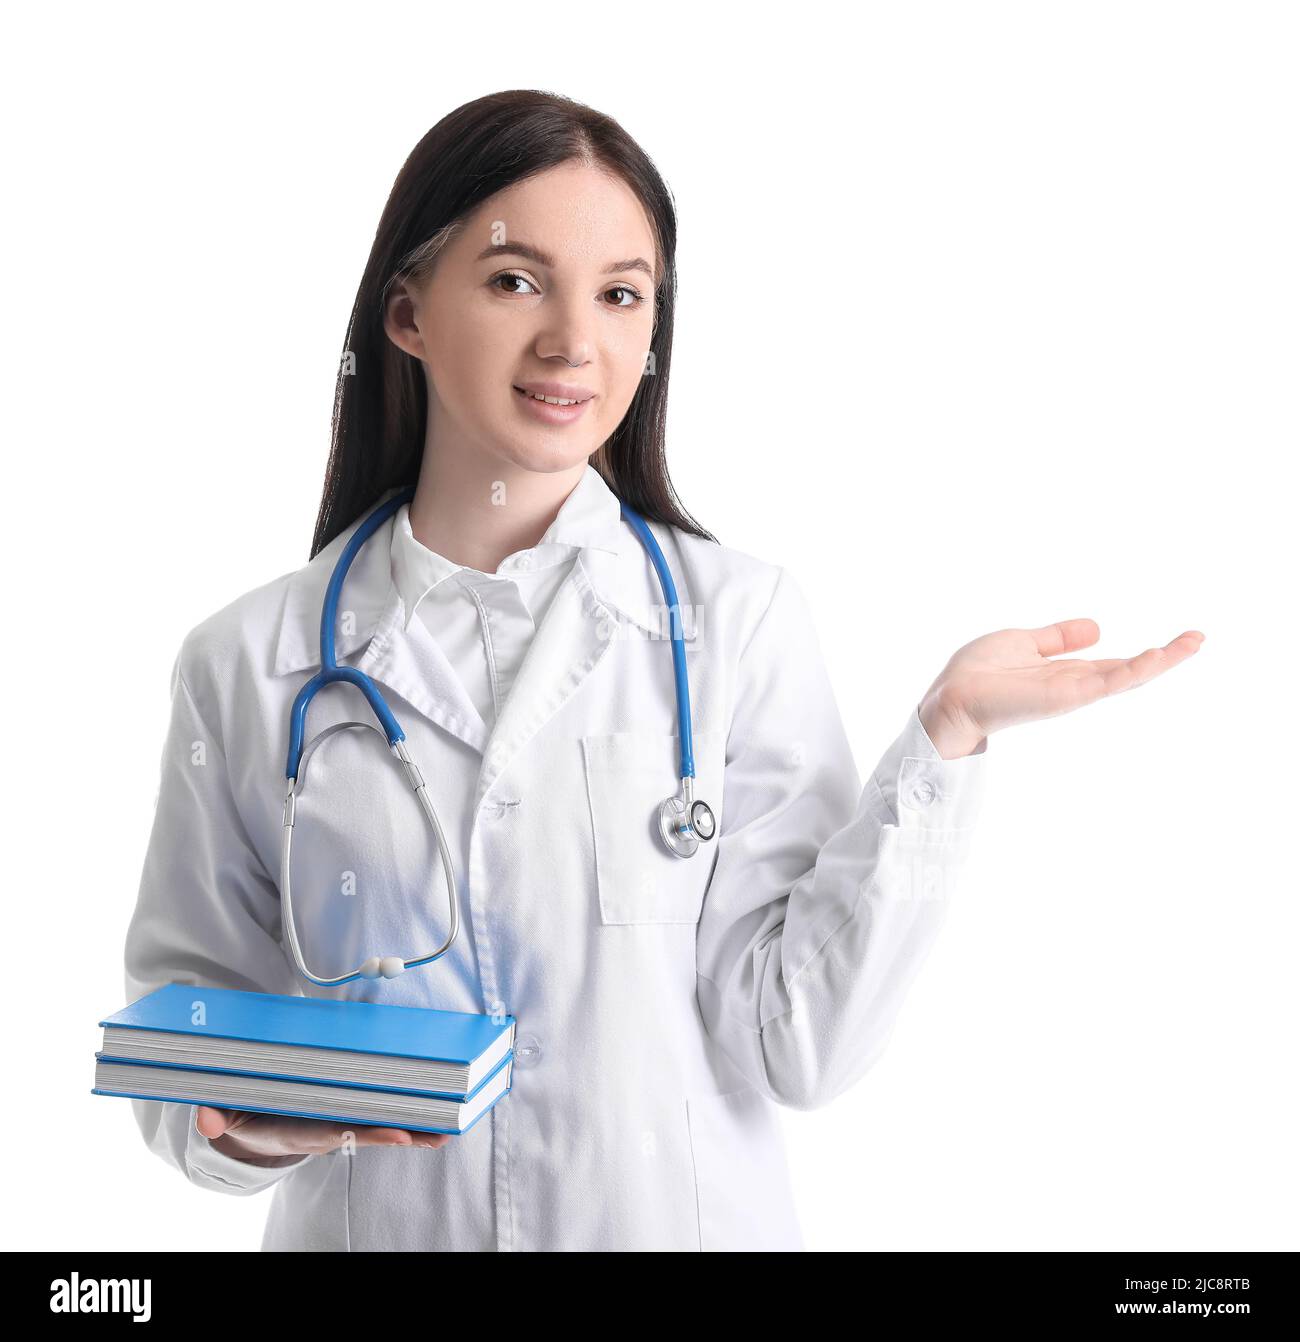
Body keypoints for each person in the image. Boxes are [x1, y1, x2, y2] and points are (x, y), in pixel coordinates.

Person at [122, 89, 1204, 1252]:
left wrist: (945, 739)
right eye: (513, 280)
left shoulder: (735, 624)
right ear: (406, 313)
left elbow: (798, 1043)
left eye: (620, 293)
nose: (572, 342)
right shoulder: (248, 665)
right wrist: (262, 1116)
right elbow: (176, 1044)